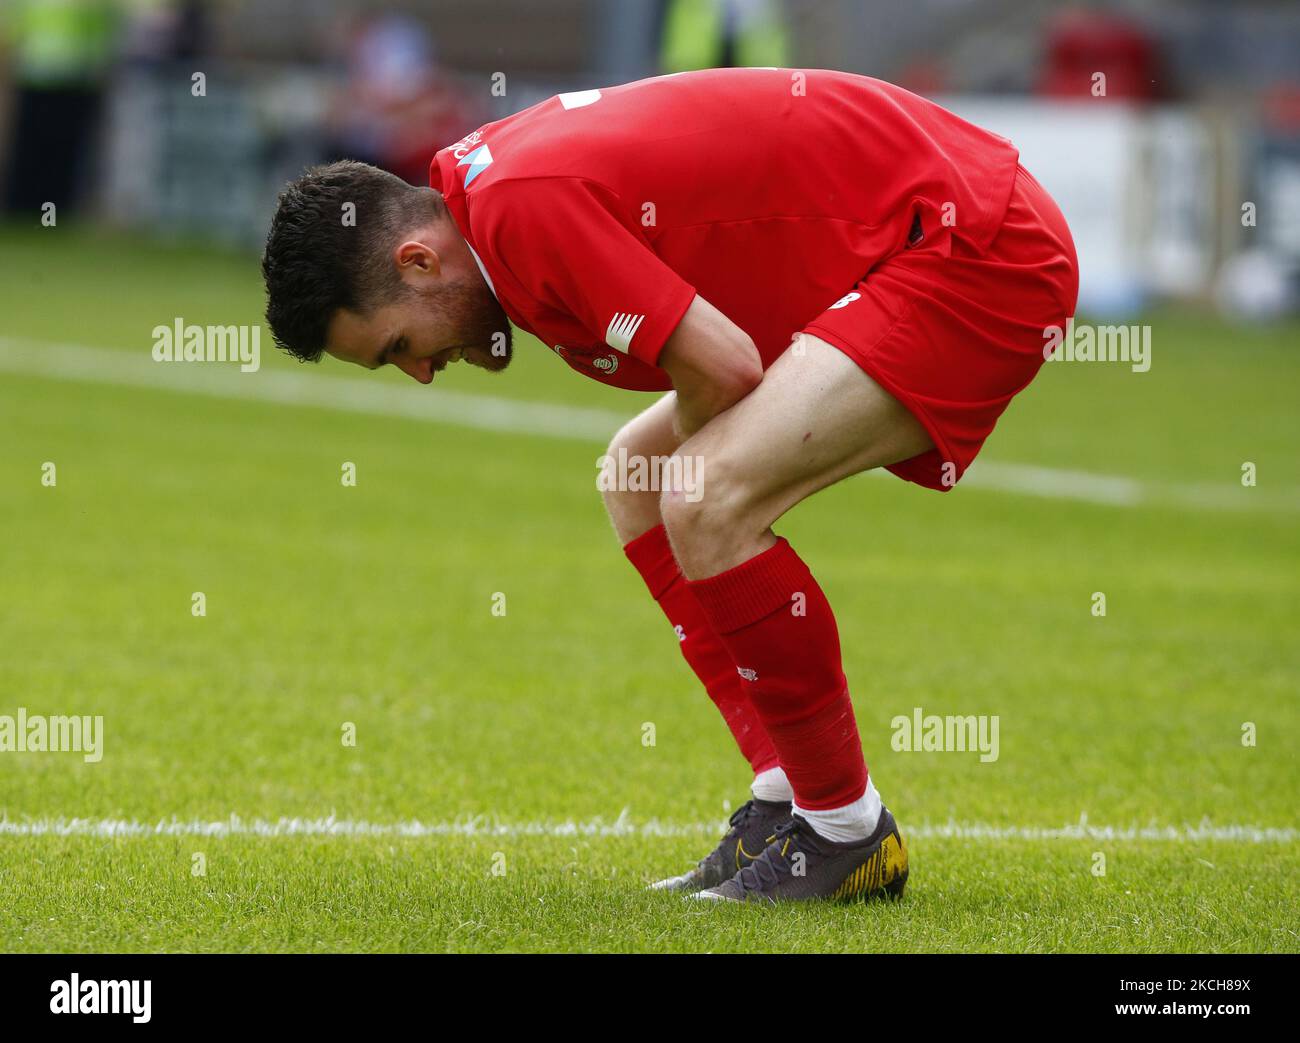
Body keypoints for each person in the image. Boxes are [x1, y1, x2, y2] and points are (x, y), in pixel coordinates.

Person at [261, 68, 1078, 903]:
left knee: (701, 494)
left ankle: (844, 832)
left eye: (398, 346)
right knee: (639, 477)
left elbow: (723, 366)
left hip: (978, 247)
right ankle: (785, 794)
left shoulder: (518, 210)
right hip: (934, 229)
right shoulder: (485, 198)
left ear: (418, 259)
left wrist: (712, 449)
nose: (423, 374)